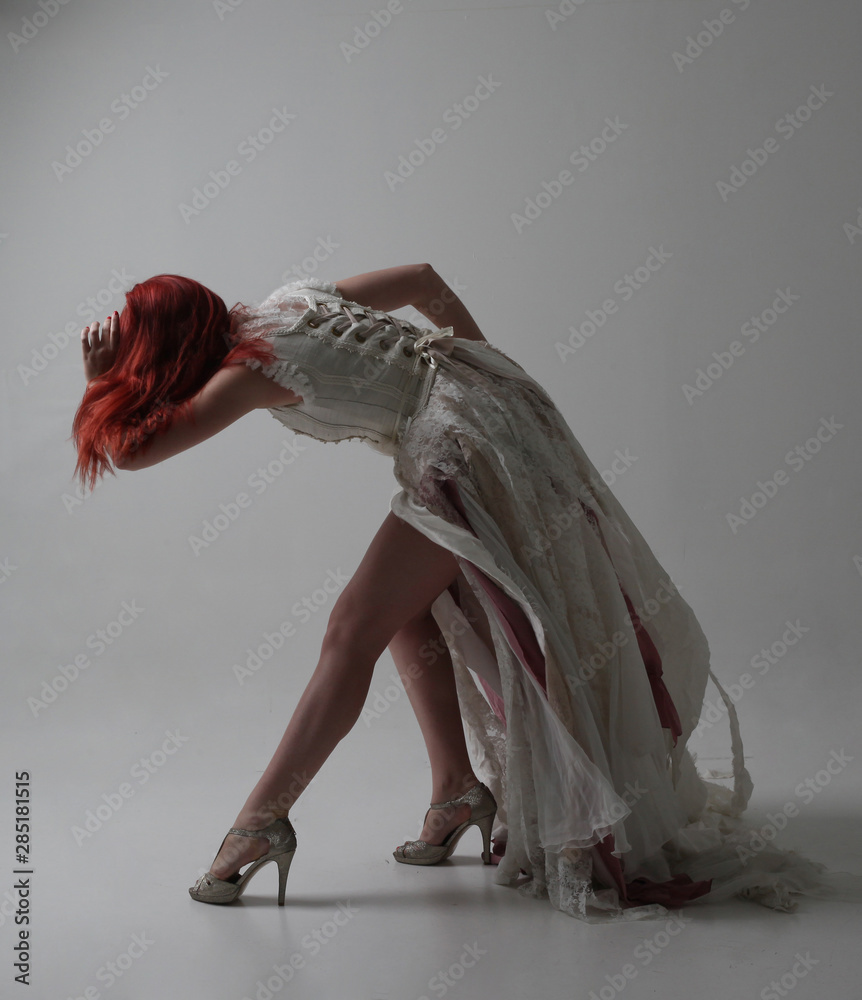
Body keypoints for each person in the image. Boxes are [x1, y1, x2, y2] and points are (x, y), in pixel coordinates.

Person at [72, 264, 857, 921]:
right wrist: (488, 382)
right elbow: (424, 278)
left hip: (462, 445)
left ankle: (260, 821)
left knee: (350, 630)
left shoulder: (245, 377)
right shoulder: (289, 298)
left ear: (161, 357)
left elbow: (137, 455)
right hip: (500, 404)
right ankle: (455, 793)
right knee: (412, 609)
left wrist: (99, 379)